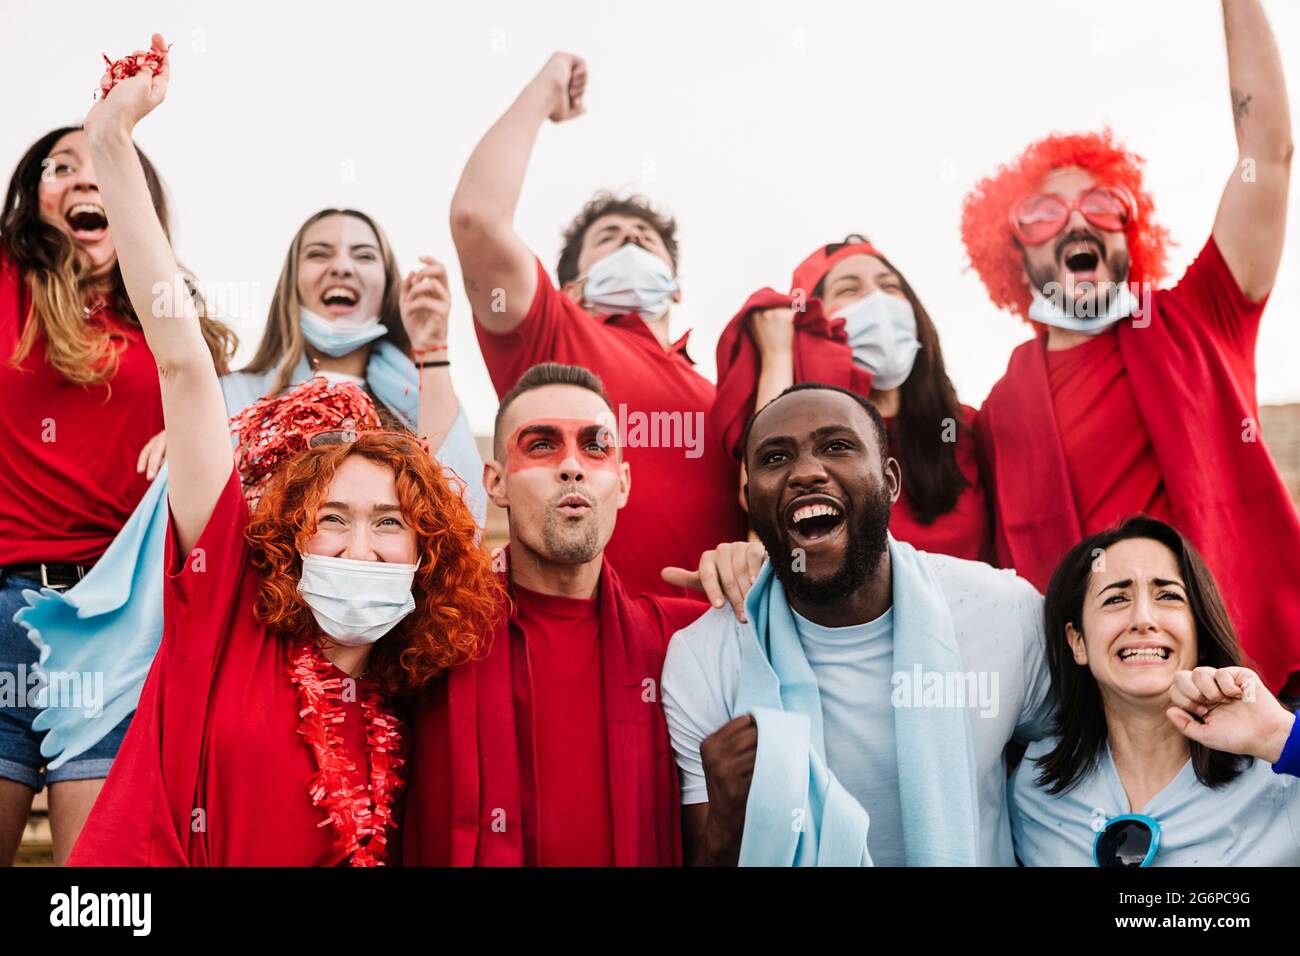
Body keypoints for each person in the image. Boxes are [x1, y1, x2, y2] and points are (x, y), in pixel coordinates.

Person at [66, 34, 499, 866]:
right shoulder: (225, 611)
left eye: (387, 524)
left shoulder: (398, 703)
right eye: (332, 518)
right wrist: (112, 144)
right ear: (288, 535)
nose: (361, 546)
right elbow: (187, 366)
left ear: (424, 549)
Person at [19, 197, 484, 789]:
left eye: (362, 255)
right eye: (320, 253)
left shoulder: (414, 400)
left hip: (388, 690)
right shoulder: (231, 400)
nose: (341, 266)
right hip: (250, 683)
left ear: (385, 285)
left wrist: (433, 348)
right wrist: (197, 444)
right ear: (292, 283)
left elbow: (462, 513)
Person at [963, 0, 1300, 694]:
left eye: (1103, 204)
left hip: (1252, 686)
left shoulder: (1203, 312)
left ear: (1129, 237)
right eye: (1044, 212)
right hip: (1091, 717)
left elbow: (1266, 152)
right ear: (1012, 252)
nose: (1077, 218)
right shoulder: (997, 413)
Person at [660, 382, 1053, 866]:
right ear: (750, 498)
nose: (805, 472)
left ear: (890, 481)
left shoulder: (1004, 612)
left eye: (837, 446)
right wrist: (727, 822)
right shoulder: (702, 657)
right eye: (775, 458)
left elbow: (1088, 754)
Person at [0, 119, 235, 864]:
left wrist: (200, 433)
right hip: (2, 603)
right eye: (58, 168)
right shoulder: (7, 282)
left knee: (96, 883)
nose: (84, 179)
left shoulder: (169, 326)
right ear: (30, 201)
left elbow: (232, 447)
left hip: (120, 622)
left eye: (103, 166)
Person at [448, 51, 746, 599]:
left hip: (711, 668)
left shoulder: (726, 398)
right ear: (571, 290)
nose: (631, 241)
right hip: (578, 661)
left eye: (644, 238)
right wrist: (546, 85)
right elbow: (477, 218)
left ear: (675, 287)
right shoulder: (552, 337)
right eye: (609, 239)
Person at [403, 362, 712, 866]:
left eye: (595, 446)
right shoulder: (429, 633)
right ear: (496, 483)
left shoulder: (688, 636)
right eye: (542, 445)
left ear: (624, 483)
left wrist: (754, 573)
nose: (573, 465)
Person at [1010, 516, 1300, 866]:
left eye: (1168, 595)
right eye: (1116, 599)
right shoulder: (1032, 787)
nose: (1143, 618)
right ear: (1078, 642)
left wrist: (1278, 737)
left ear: (1200, 634)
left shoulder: (1281, 775)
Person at [712, 234, 990, 561]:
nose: (877, 301)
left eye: (890, 287)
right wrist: (778, 355)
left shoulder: (965, 426)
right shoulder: (811, 461)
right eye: (849, 290)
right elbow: (761, 506)